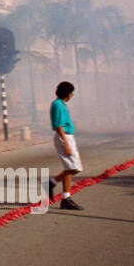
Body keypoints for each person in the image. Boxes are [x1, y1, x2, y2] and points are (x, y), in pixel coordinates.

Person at [47, 81, 83, 211]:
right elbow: (59, 126)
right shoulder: (58, 105)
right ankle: (65, 198)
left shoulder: (60, 104)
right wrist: (66, 143)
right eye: (71, 93)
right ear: (67, 93)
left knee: (73, 167)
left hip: (67, 137)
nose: (72, 95)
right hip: (64, 137)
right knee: (72, 167)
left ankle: (52, 183)